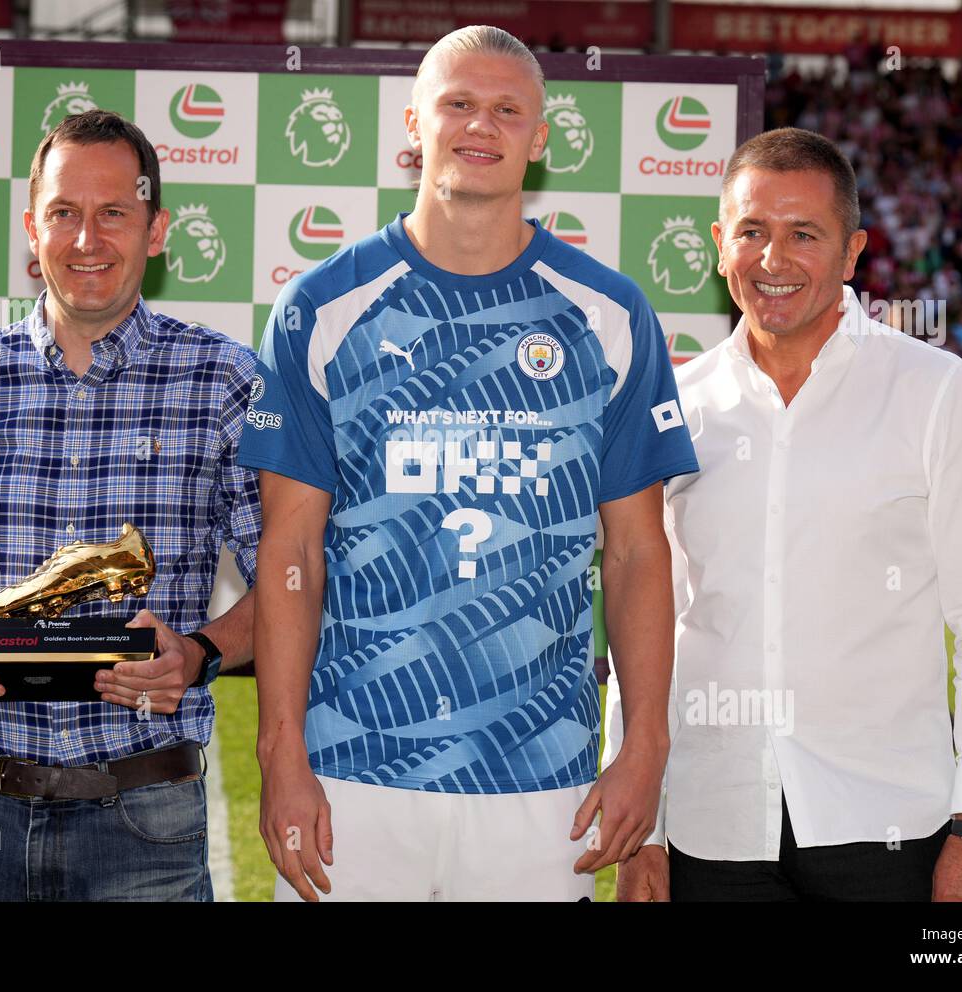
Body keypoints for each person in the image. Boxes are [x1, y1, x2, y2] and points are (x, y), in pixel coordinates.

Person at [239, 25, 698, 902]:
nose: (480, 126)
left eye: (507, 109)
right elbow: (290, 552)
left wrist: (645, 748)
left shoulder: (608, 312)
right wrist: (281, 752)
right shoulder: (322, 307)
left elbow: (638, 552)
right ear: (414, 122)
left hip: (543, 778)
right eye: (458, 103)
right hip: (353, 769)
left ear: (541, 138)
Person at [605, 127, 962, 902]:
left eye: (805, 234)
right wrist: (649, 824)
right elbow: (646, 620)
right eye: (752, 232)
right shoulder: (676, 404)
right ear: (717, 244)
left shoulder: (935, 391)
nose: (774, 260)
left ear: (852, 251)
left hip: (889, 823)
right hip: (711, 826)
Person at [0, 110, 261, 901]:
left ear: (155, 230)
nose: (87, 240)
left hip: (144, 818)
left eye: (114, 212)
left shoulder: (225, 383)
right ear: (31, 230)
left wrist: (199, 654)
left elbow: (287, 577)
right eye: (64, 213)